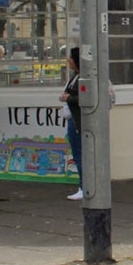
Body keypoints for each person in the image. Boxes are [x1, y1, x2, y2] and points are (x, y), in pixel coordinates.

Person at [60, 48, 87, 201]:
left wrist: (68, 98)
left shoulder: (81, 78)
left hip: (76, 121)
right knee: (79, 154)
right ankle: (83, 186)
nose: (69, 60)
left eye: (71, 57)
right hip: (72, 118)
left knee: (79, 155)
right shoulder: (75, 77)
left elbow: (84, 98)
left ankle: (84, 187)